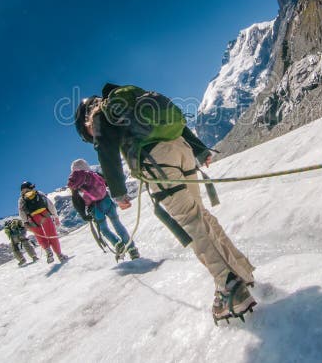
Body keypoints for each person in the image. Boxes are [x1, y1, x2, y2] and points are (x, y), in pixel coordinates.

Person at [74, 84, 256, 322]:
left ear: (85, 121)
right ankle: (242, 271)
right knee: (201, 215)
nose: (90, 135)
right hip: (182, 149)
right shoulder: (131, 99)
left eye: (87, 134)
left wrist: (118, 192)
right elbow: (175, 125)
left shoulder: (99, 114)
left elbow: (105, 149)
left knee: (191, 221)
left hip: (157, 162)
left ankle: (230, 288)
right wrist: (200, 150)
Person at [68, 158, 140, 260]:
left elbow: (77, 202)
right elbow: (108, 182)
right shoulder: (94, 174)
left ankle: (117, 244)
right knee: (118, 225)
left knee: (104, 230)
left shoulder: (76, 183)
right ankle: (132, 250)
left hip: (95, 209)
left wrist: (84, 215)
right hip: (107, 202)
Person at [18, 181, 69, 264]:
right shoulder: (39, 193)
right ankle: (60, 255)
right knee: (52, 235)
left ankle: (48, 252)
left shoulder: (21, 199)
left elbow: (21, 212)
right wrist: (55, 216)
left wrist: (26, 222)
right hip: (44, 215)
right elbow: (50, 205)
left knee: (40, 238)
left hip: (32, 219)